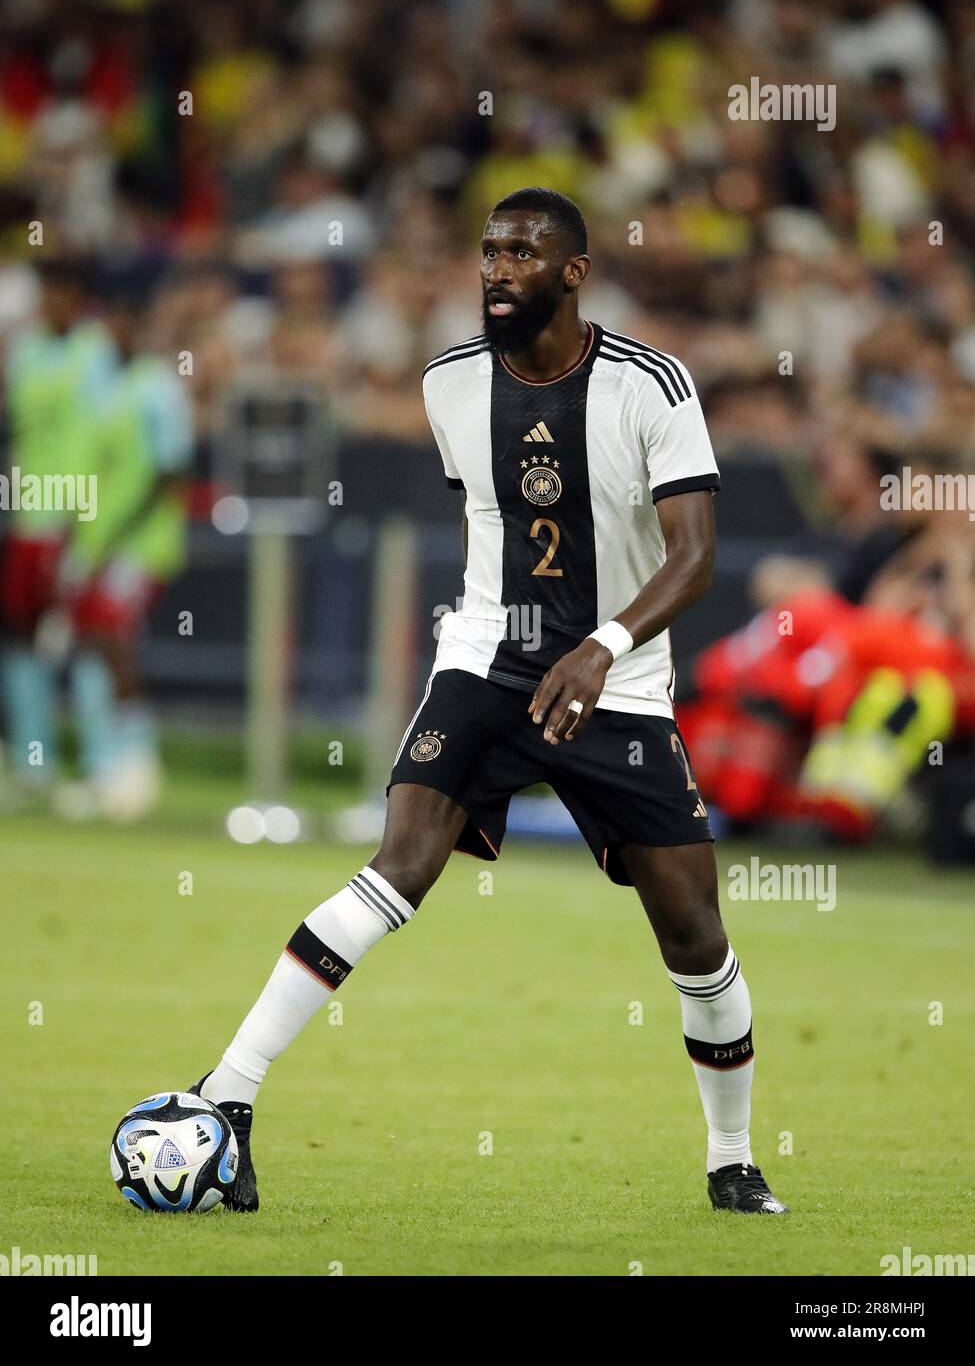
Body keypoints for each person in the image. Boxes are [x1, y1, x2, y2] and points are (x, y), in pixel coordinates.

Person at [189, 187, 788, 1217]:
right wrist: (508, 645)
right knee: (402, 862)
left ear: (575, 271)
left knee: (693, 929)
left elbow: (693, 560)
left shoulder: (654, 383)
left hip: (623, 681)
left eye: (522, 252)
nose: (497, 269)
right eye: (489, 251)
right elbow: (490, 519)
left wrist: (601, 646)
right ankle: (224, 1097)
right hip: (487, 665)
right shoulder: (449, 384)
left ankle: (731, 1156)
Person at [55, 276, 193, 820]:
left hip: (138, 543)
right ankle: (103, 765)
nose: (117, 330)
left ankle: (137, 767)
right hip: (95, 540)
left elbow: (170, 471)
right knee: (91, 645)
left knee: (114, 643)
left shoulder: (158, 386)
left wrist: (118, 534)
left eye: (127, 320)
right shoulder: (100, 384)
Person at [0, 258, 114, 795]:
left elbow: (103, 437)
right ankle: (32, 762)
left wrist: (85, 515)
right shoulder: (26, 348)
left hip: (77, 512)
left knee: (85, 636)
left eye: (65, 295)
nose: (54, 305)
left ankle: (101, 764)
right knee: (22, 633)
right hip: (28, 508)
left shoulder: (95, 352)